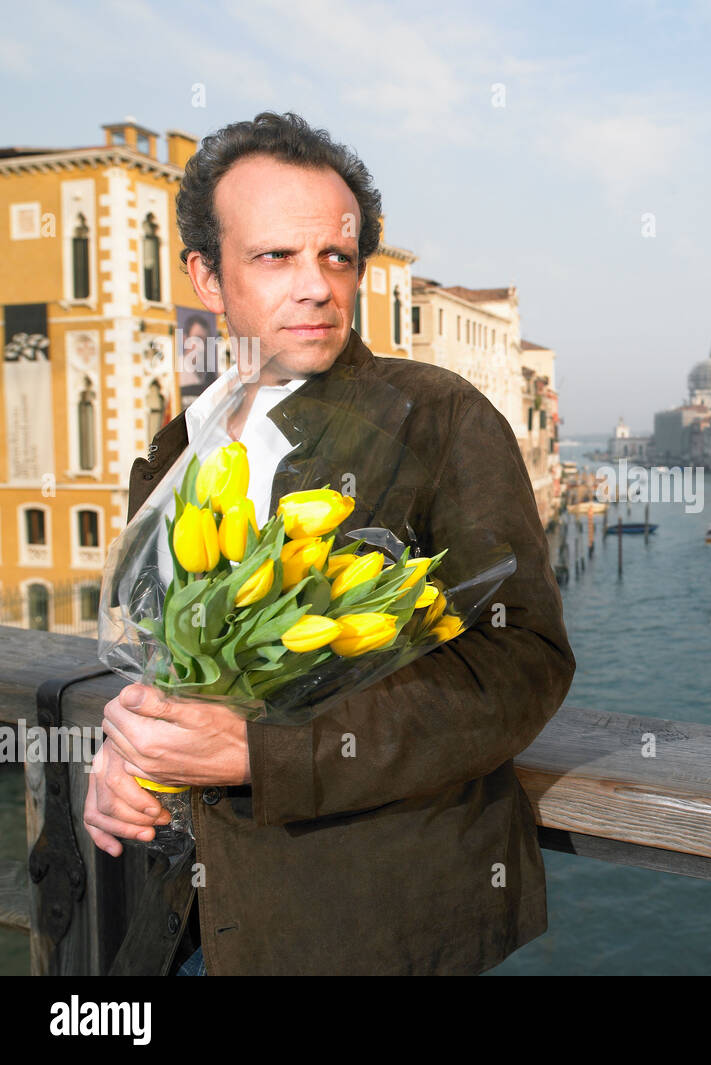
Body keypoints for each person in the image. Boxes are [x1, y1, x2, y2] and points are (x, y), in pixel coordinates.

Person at [82, 111, 575, 975]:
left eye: (337, 257)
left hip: (366, 936)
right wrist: (131, 753)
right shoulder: (175, 449)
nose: (316, 285)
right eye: (275, 256)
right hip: (186, 926)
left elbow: (521, 662)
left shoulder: (441, 417)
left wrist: (263, 752)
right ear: (208, 274)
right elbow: (175, 670)